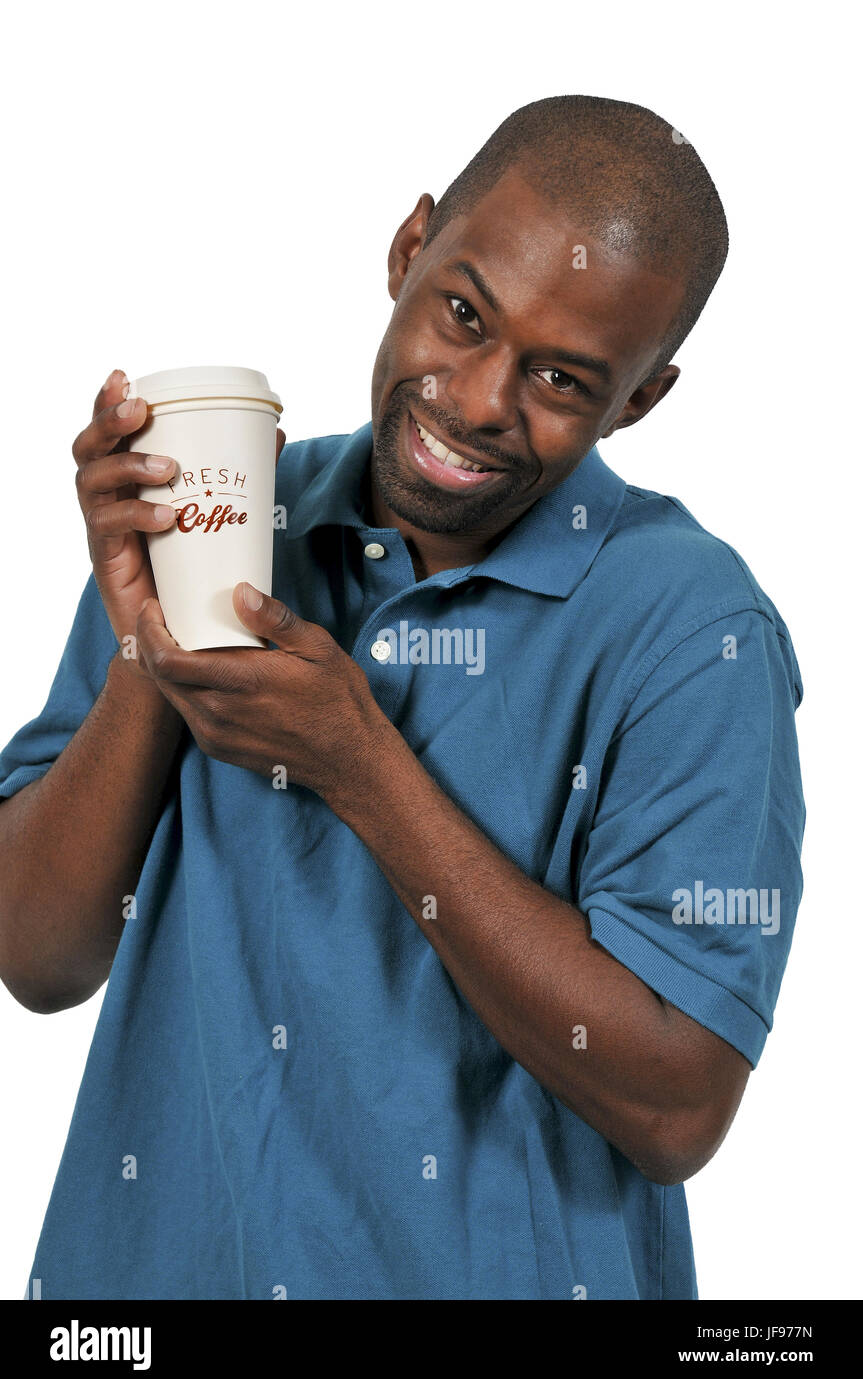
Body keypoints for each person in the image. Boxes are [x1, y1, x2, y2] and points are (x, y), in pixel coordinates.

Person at [0, 94, 804, 1301]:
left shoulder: (695, 632)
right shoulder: (229, 514)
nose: (478, 400)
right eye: (463, 314)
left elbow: (676, 1101)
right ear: (406, 247)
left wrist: (359, 764)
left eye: (560, 378)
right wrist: (146, 650)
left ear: (638, 400)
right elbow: (39, 959)